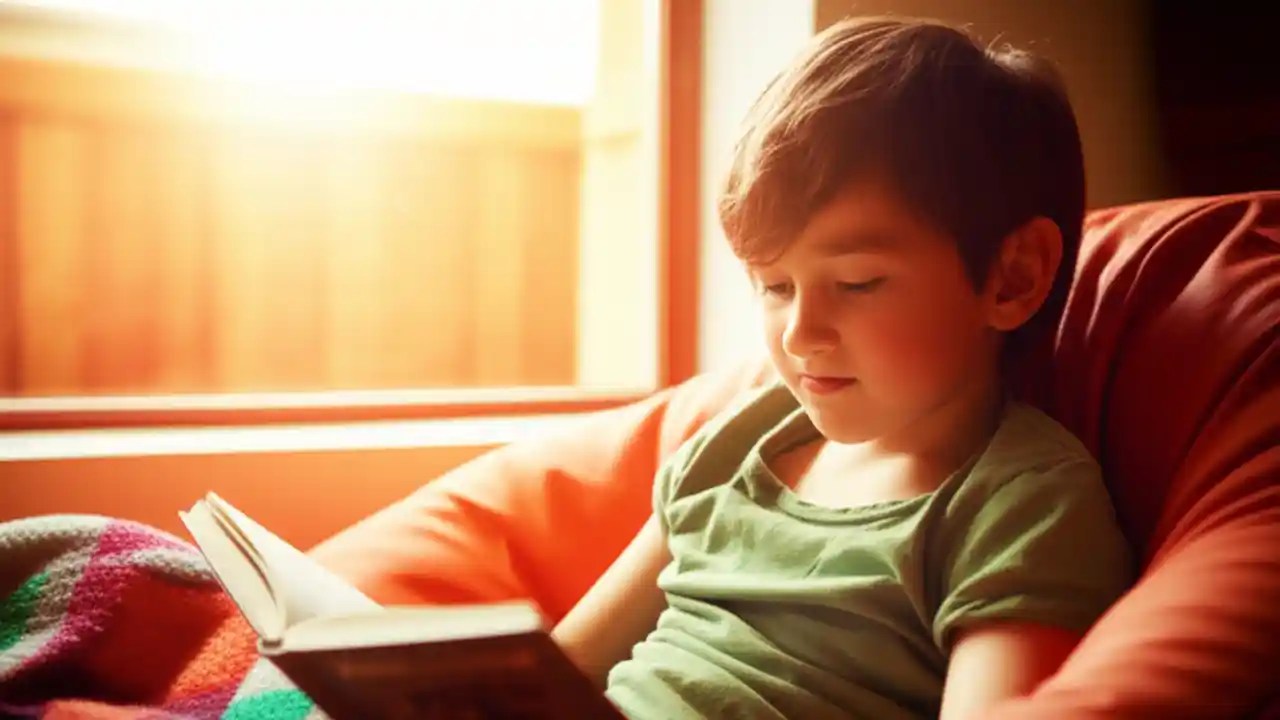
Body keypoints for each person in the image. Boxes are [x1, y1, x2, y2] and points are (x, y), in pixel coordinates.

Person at [551, 15, 1133, 720]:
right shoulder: (739, 443)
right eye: (774, 285)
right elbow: (560, 671)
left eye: (857, 283)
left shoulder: (1019, 506)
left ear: (1012, 279)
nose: (801, 333)